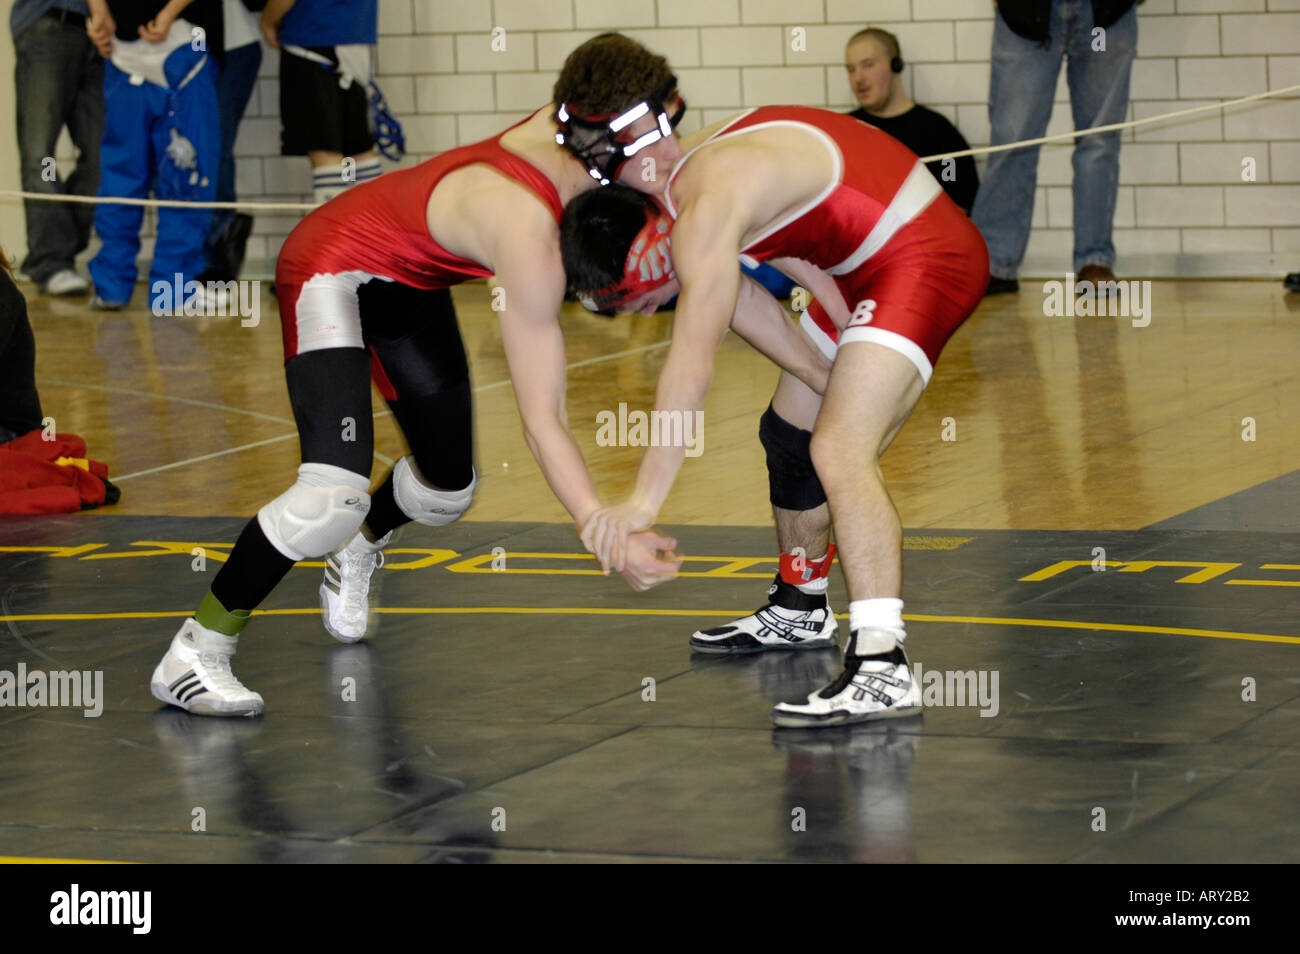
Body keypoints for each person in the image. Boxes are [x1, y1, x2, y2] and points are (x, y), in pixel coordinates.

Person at [147, 34, 826, 718]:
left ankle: (363, 540)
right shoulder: (525, 229)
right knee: (330, 495)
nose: (672, 154)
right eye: (654, 141)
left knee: (447, 491)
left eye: (668, 127)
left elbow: (721, 265)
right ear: (600, 148)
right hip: (331, 264)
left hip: (410, 280)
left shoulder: (585, 126)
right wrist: (597, 521)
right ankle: (197, 650)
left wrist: (815, 366)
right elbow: (542, 418)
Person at [566, 102, 988, 727]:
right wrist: (823, 372)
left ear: (651, 258)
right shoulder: (680, 196)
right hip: (861, 263)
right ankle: (801, 605)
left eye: (642, 303)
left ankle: (882, 666)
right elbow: (750, 282)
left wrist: (642, 503)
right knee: (791, 435)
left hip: (921, 255)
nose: (647, 313)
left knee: (839, 450)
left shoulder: (701, 213)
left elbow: (689, 369)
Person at [972, 0, 1138, 294]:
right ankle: (996, 261)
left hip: (1105, 13)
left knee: (1099, 141)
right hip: (1025, 13)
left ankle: (1094, 260)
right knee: (1013, 141)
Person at [84, 0, 222, 309]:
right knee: (187, 176)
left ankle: (110, 287)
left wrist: (99, 10)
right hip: (179, 47)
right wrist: (170, 12)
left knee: (121, 176)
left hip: (124, 52)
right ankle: (172, 291)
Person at [11, 0, 103, 296]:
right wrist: (99, 8)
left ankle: (56, 249)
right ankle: (51, 261)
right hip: (49, 24)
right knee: (43, 158)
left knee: (102, 157)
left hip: (101, 38)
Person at [844, 27, 977, 214]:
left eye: (868, 65)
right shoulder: (844, 132)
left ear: (896, 65)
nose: (858, 78)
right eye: (851, 69)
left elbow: (958, 205)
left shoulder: (939, 135)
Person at [260, 0, 381, 203]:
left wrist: (268, 22)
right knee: (358, 150)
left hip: (311, 39)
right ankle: (374, 220)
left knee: (326, 151)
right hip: (355, 39)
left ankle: (337, 223)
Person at [199, 0, 263, 285]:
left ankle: (218, 251)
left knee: (215, 146)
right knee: (203, 149)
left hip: (234, 45)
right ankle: (213, 248)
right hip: (190, 47)